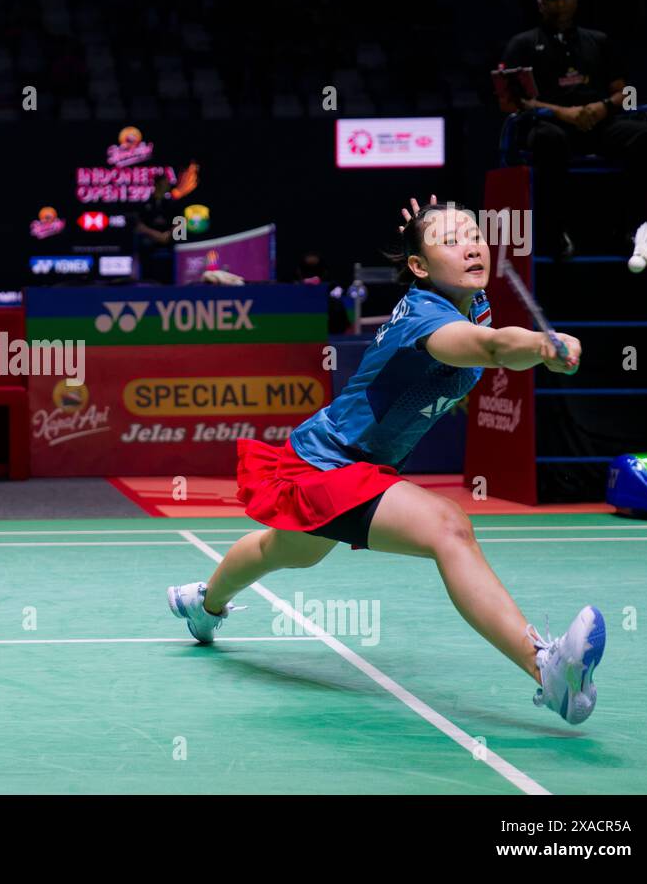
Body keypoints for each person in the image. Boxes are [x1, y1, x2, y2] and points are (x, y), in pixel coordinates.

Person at [167, 195, 606, 726]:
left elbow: (487, 331)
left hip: (350, 459)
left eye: (471, 234)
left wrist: (425, 234)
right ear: (420, 268)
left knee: (286, 550)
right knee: (448, 528)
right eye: (450, 241)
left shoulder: (472, 299)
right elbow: (492, 348)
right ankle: (547, 670)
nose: (469, 246)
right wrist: (542, 344)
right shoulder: (427, 319)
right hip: (330, 463)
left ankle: (203, 604)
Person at [499, 0, 647, 258]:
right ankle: (555, 236)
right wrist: (564, 113)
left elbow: (623, 92)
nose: (559, 5)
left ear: (576, 0)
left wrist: (602, 107)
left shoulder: (598, 41)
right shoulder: (522, 45)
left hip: (598, 124)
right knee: (546, 140)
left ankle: (633, 230)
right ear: (539, 3)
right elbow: (517, 101)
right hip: (552, 127)